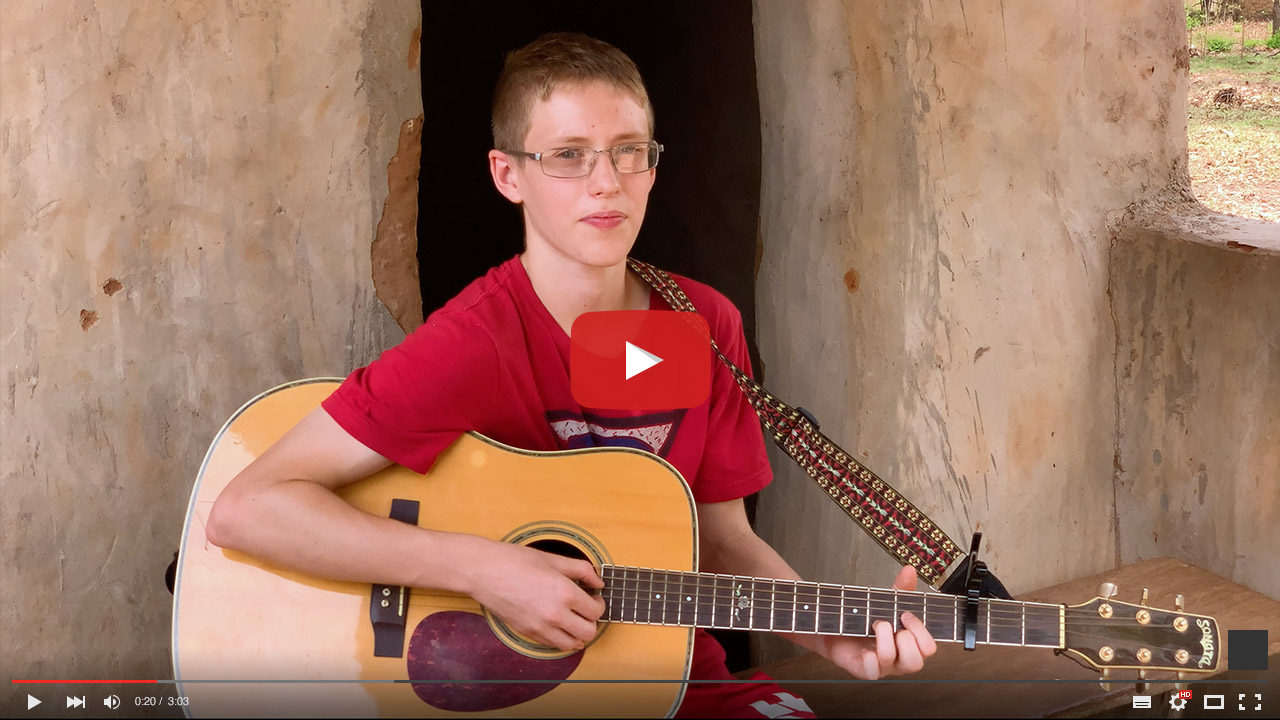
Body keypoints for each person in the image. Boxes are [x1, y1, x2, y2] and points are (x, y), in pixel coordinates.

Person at [206, 31, 935, 718]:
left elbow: (715, 537)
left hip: (672, 674)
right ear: (508, 174)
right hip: (503, 689)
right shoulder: (475, 341)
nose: (606, 183)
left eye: (628, 152)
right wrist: (483, 570)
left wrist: (824, 632)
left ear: (654, 164)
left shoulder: (700, 327)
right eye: (567, 155)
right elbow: (249, 508)